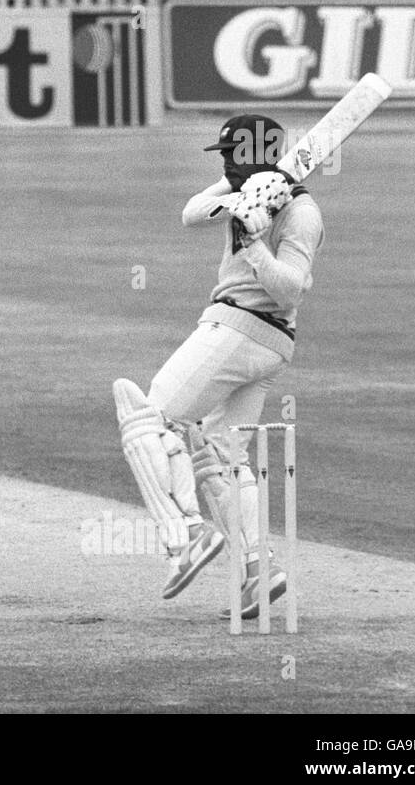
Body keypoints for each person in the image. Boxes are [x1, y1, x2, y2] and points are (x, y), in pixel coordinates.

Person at [113, 114, 323, 620]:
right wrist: (240, 200)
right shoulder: (248, 188)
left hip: (242, 330)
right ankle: (257, 569)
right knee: (221, 453)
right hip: (255, 339)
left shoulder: (302, 213)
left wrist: (253, 241)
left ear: (257, 150)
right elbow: (191, 213)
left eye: (232, 152)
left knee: (147, 413)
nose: (225, 161)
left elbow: (291, 288)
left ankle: (184, 533)